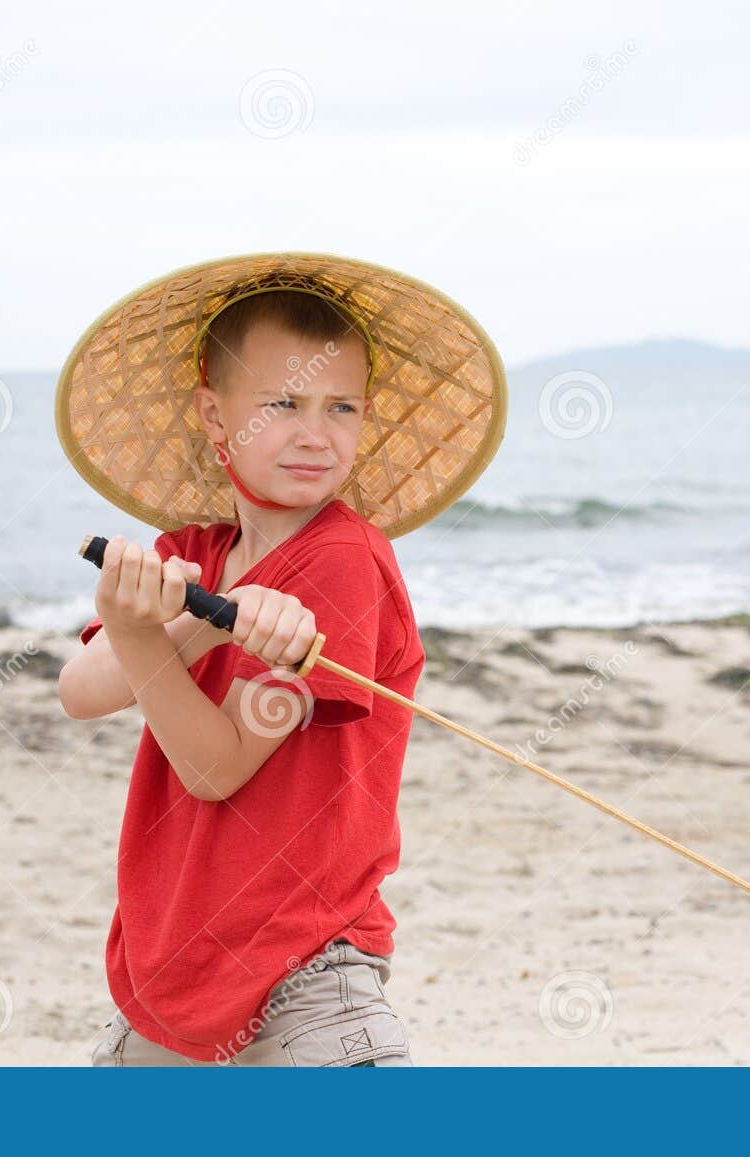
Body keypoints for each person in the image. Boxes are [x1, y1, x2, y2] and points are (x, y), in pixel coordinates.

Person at [53, 253, 507, 1066]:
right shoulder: (194, 550)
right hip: (171, 961)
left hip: (301, 970)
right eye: (281, 403)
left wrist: (156, 633)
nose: (314, 432)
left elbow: (216, 767)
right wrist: (158, 624)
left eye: (342, 407)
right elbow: (81, 693)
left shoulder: (342, 562)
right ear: (213, 415)